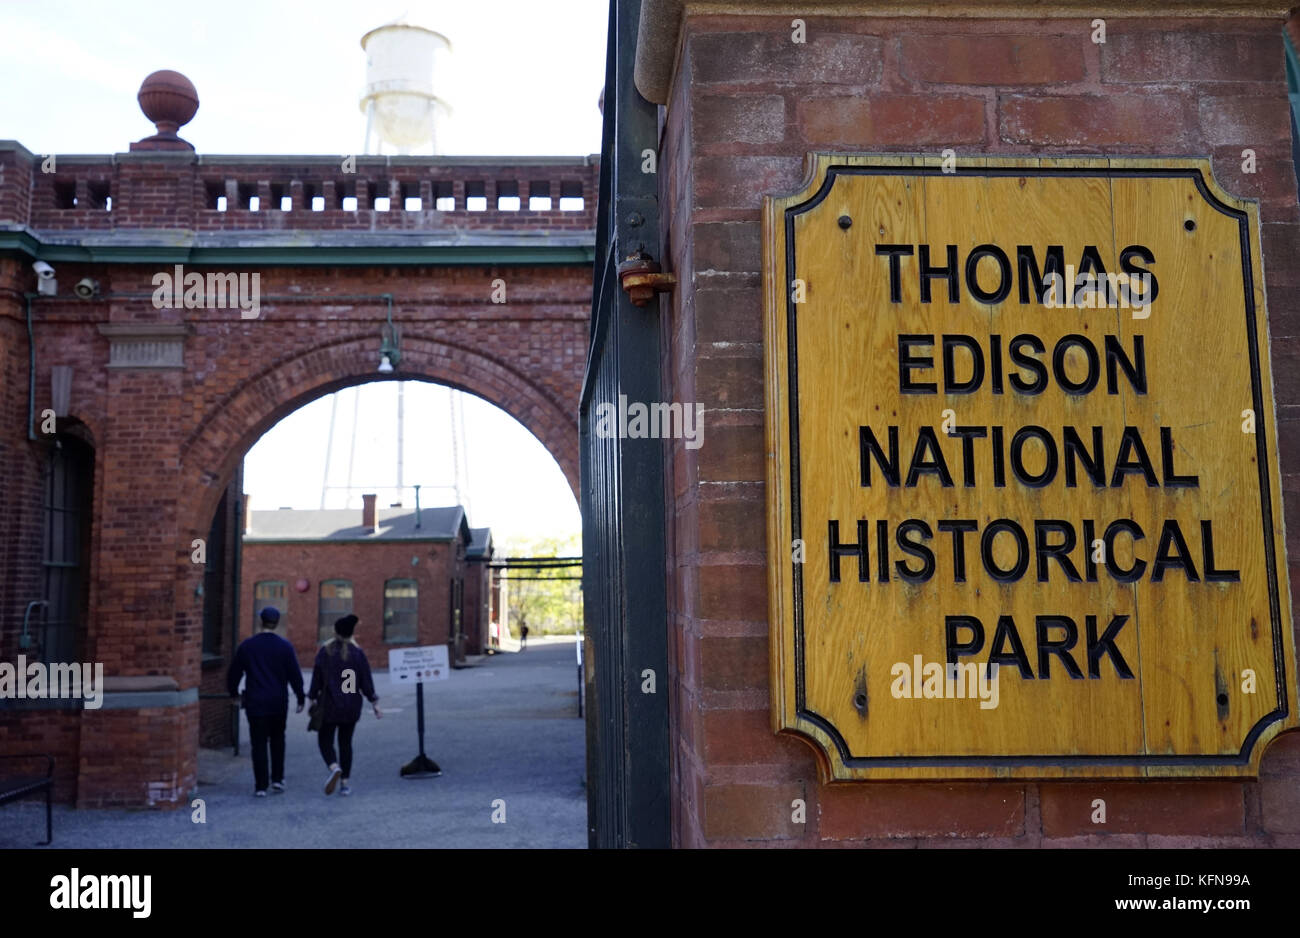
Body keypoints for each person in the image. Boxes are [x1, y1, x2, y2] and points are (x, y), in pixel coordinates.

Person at [227, 607, 305, 797]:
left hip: (255, 702)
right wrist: (300, 697)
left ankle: (260, 785)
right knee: (278, 740)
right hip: (278, 702)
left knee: (258, 743)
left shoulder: (247, 646)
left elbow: (234, 673)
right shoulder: (285, 647)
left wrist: (234, 693)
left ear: (260, 621)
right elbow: (294, 674)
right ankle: (277, 779)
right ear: (277, 623)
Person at [308, 614, 382, 796]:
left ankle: (334, 766)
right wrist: (374, 702)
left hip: (330, 705)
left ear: (335, 632)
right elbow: (366, 681)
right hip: (351, 706)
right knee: (346, 743)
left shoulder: (325, 652)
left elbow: (317, 678)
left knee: (325, 739)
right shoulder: (358, 654)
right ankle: (345, 783)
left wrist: (311, 698)